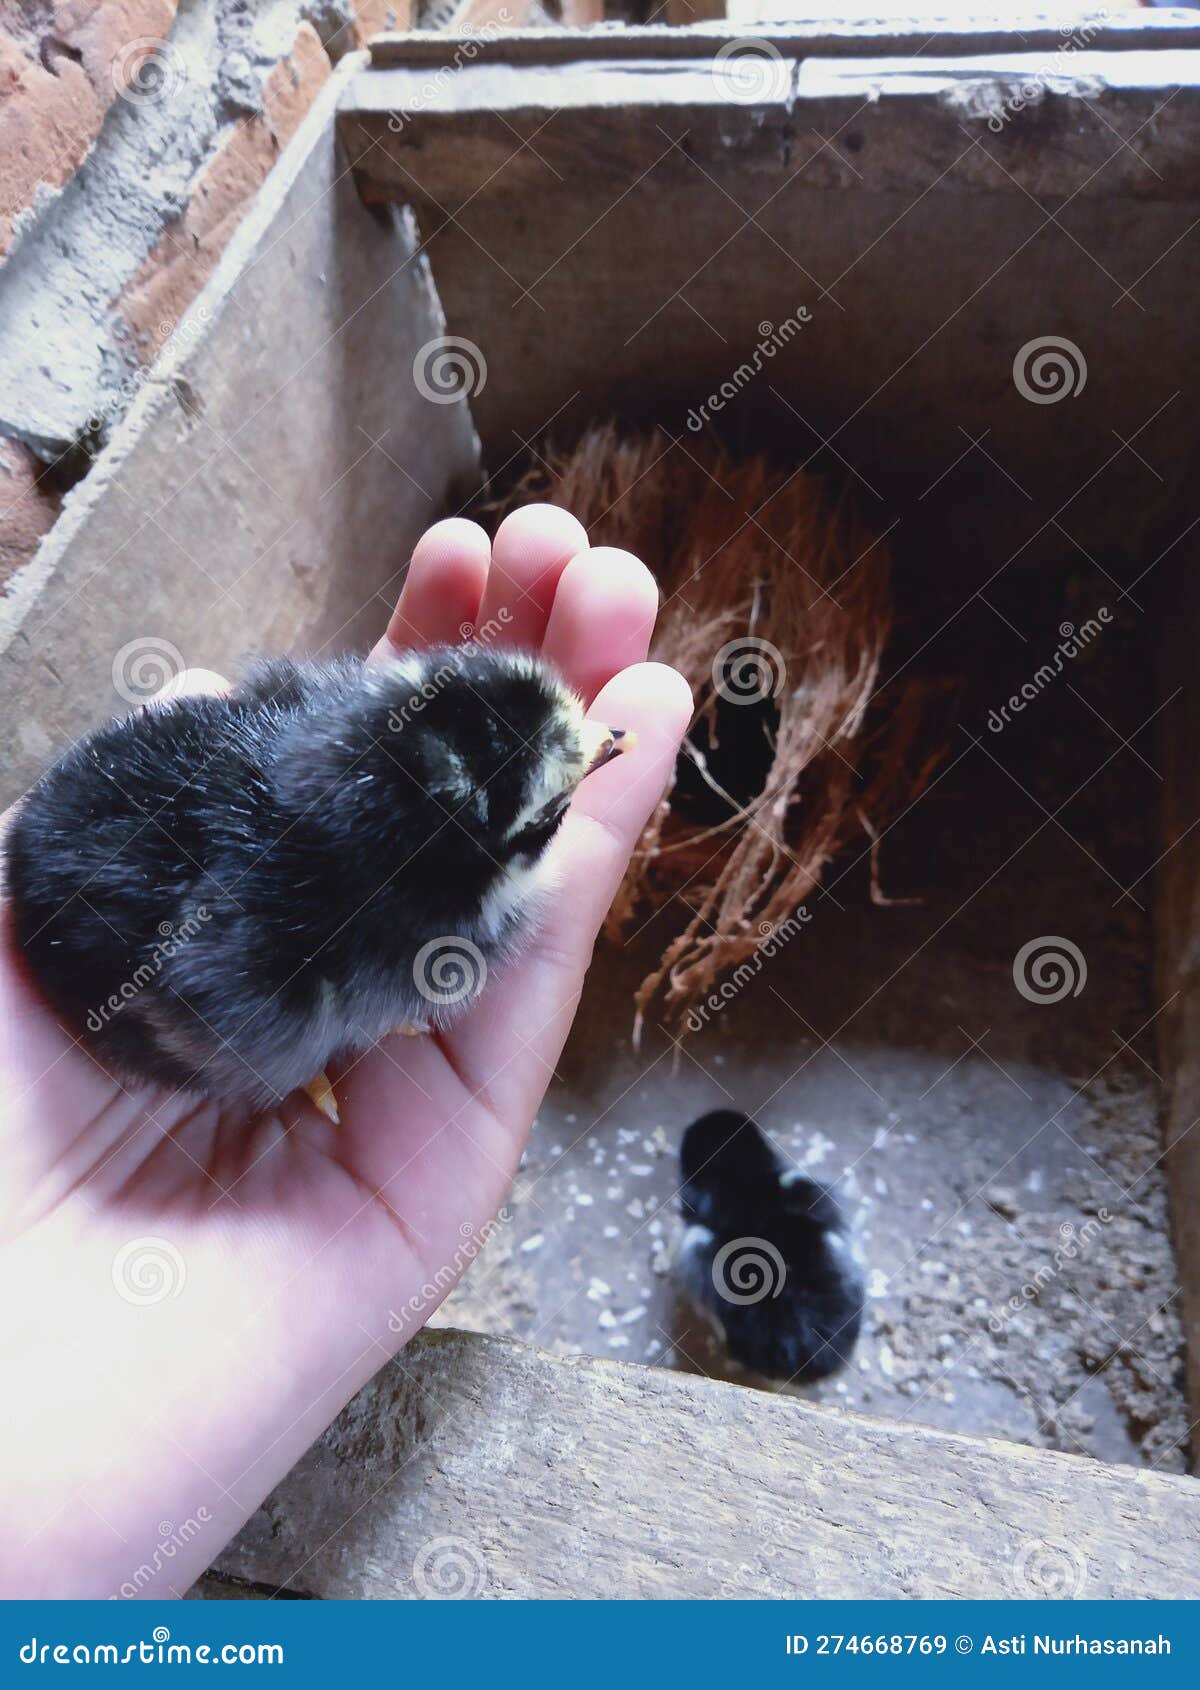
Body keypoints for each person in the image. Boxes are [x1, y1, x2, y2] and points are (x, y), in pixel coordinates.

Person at [0, 504, 691, 1599]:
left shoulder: (314, 718)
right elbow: (232, 986)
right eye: (565, 788)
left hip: (90, 849)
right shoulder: (304, 971)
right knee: (260, 1015)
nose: (603, 754)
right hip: (95, 939)